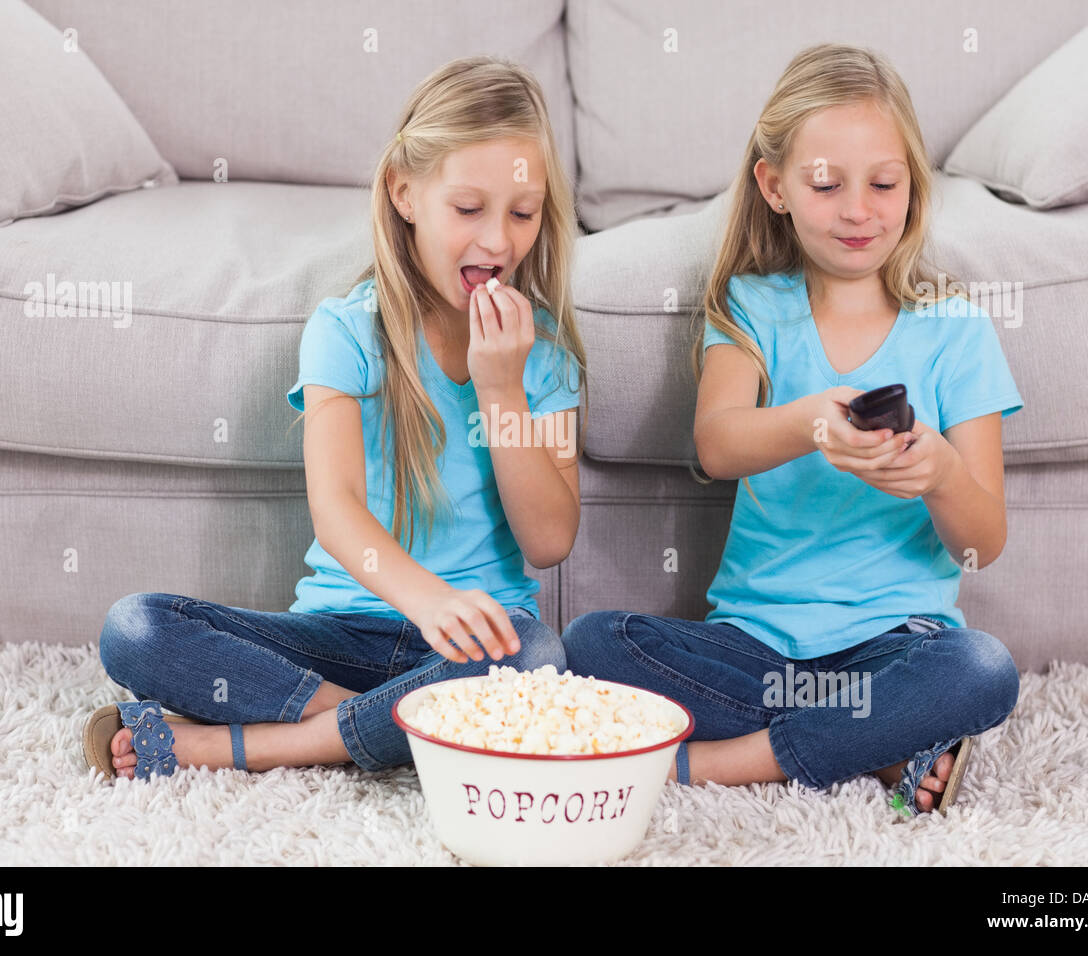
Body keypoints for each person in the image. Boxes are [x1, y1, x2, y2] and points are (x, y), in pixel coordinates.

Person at [90, 55, 586, 781]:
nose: (499, 243)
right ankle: (382, 721)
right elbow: (338, 510)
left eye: (523, 213)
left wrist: (501, 389)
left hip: (478, 643)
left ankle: (238, 745)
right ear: (406, 193)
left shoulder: (544, 355)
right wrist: (429, 600)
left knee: (537, 658)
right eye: (468, 209)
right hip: (340, 629)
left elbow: (549, 539)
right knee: (134, 627)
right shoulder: (345, 331)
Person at [561, 43, 1022, 817]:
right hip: (756, 648)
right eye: (825, 184)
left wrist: (940, 474)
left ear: (913, 184)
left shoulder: (957, 330)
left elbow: (984, 540)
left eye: (883, 183)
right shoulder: (752, 308)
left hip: (894, 647)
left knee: (982, 669)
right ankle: (877, 747)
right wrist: (813, 420)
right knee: (589, 643)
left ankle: (720, 764)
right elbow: (718, 443)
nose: (858, 210)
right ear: (774, 187)